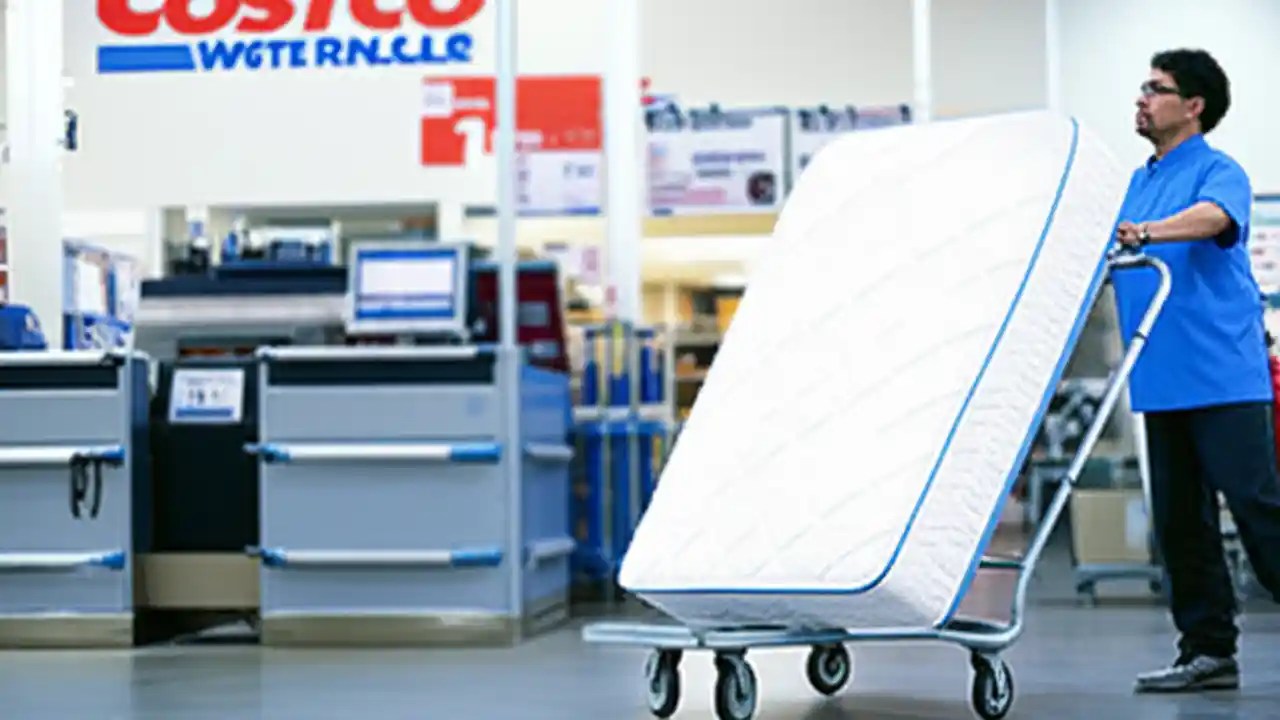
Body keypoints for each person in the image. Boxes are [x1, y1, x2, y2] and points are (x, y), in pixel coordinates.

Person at [1110, 48, 1280, 694]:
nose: (1142, 99)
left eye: (1156, 89)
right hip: (1160, 376)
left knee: (1257, 509)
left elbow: (1215, 218)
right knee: (1181, 523)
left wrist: (1148, 233)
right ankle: (1208, 651)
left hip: (1222, 373)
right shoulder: (1138, 181)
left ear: (1194, 105)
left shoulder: (1218, 170)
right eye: (1143, 87)